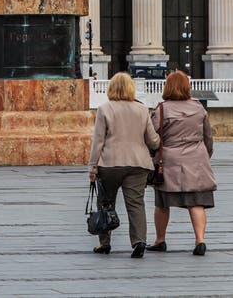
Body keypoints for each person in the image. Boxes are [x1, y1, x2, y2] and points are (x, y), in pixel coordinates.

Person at [88, 71, 160, 258]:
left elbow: (98, 141)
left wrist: (92, 167)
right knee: (136, 204)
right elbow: (153, 141)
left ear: (111, 88)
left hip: (110, 164)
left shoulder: (105, 109)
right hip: (138, 164)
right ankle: (139, 242)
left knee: (105, 203)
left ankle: (105, 243)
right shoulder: (143, 109)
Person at [147, 70, 216, 256]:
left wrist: (152, 155)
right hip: (196, 160)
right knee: (197, 203)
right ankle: (200, 239)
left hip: (170, 162)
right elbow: (207, 137)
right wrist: (204, 155)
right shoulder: (199, 108)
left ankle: (160, 239)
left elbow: (152, 138)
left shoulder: (161, 109)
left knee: (162, 204)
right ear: (187, 87)